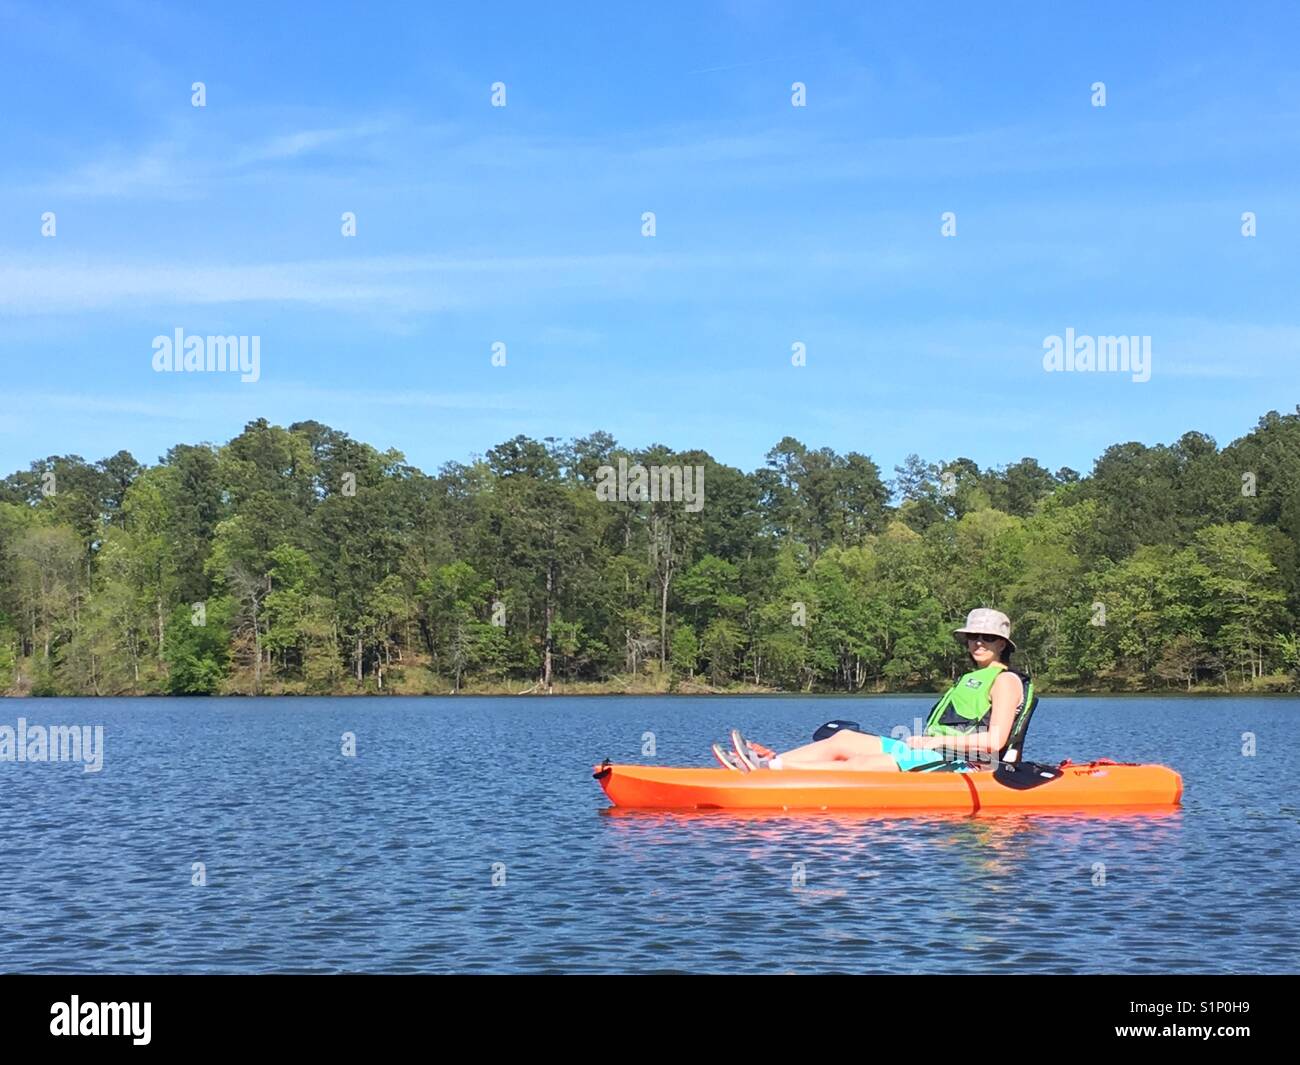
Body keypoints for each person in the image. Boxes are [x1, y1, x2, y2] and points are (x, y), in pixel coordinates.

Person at [714, 608, 1026, 773]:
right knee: (845, 739)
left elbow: (995, 742)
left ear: (1002, 643)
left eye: (987, 637)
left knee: (858, 766)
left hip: (968, 765)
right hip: (935, 752)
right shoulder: (974, 677)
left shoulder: (1005, 681)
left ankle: (767, 769)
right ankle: (774, 763)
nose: (979, 643)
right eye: (973, 637)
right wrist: (932, 743)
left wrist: (935, 741)